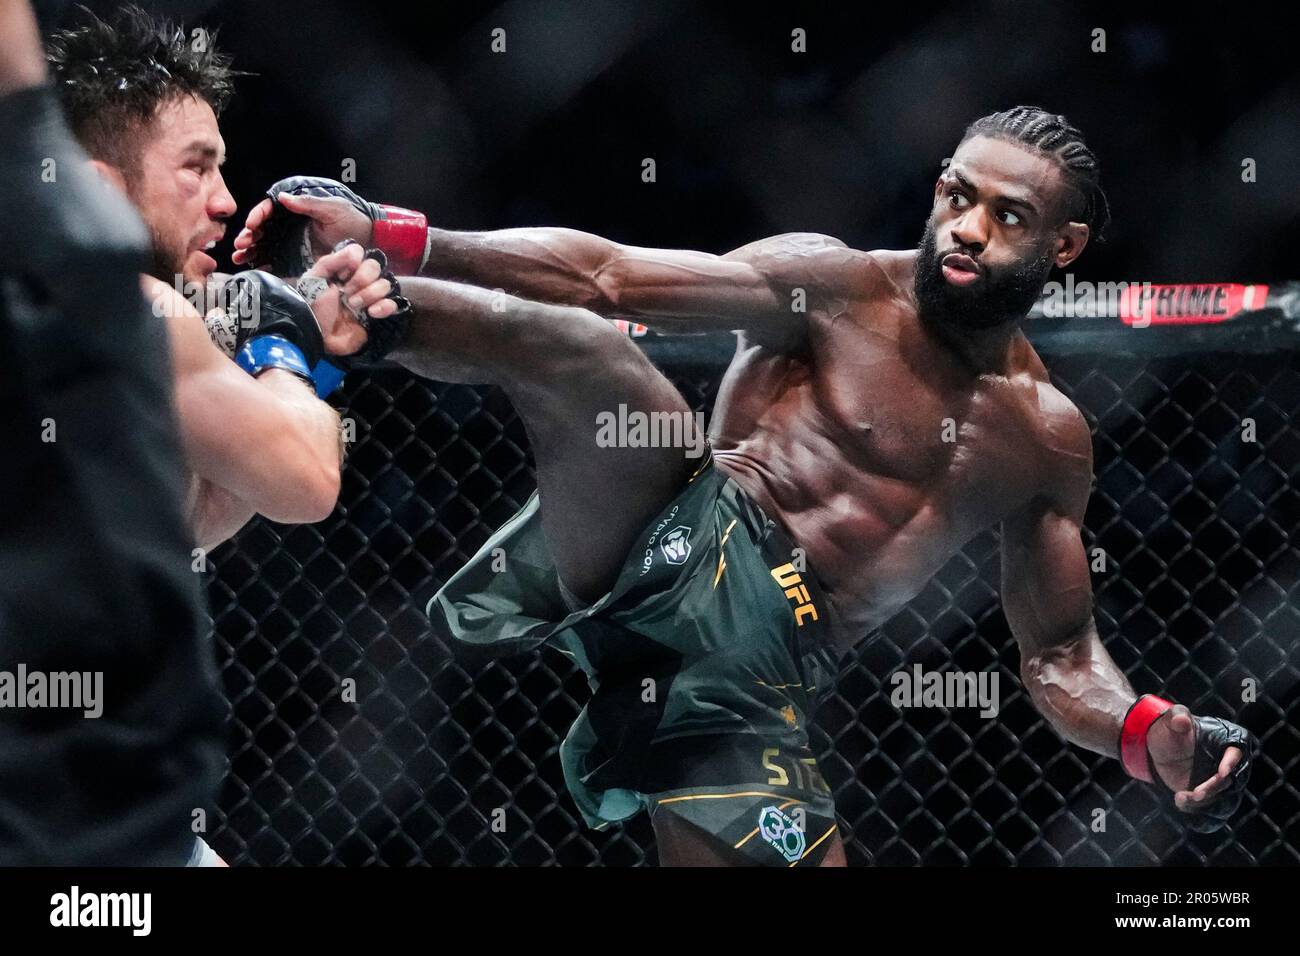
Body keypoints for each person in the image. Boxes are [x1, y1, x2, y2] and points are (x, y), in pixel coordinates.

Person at [238, 106, 1255, 866]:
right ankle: (340, 315)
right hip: (687, 527)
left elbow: (1058, 653)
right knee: (588, 349)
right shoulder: (837, 281)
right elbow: (609, 275)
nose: (965, 228)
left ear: (1063, 247)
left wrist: (1136, 727)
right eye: (955, 193)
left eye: (1006, 213)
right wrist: (404, 233)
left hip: (760, 668)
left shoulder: (1045, 437)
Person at [41, 4, 409, 864]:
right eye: (196, 169)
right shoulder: (130, 309)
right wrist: (284, 346)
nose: (225, 200)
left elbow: (189, 520)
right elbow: (305, 485)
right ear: (101, 186)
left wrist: (295, 356)